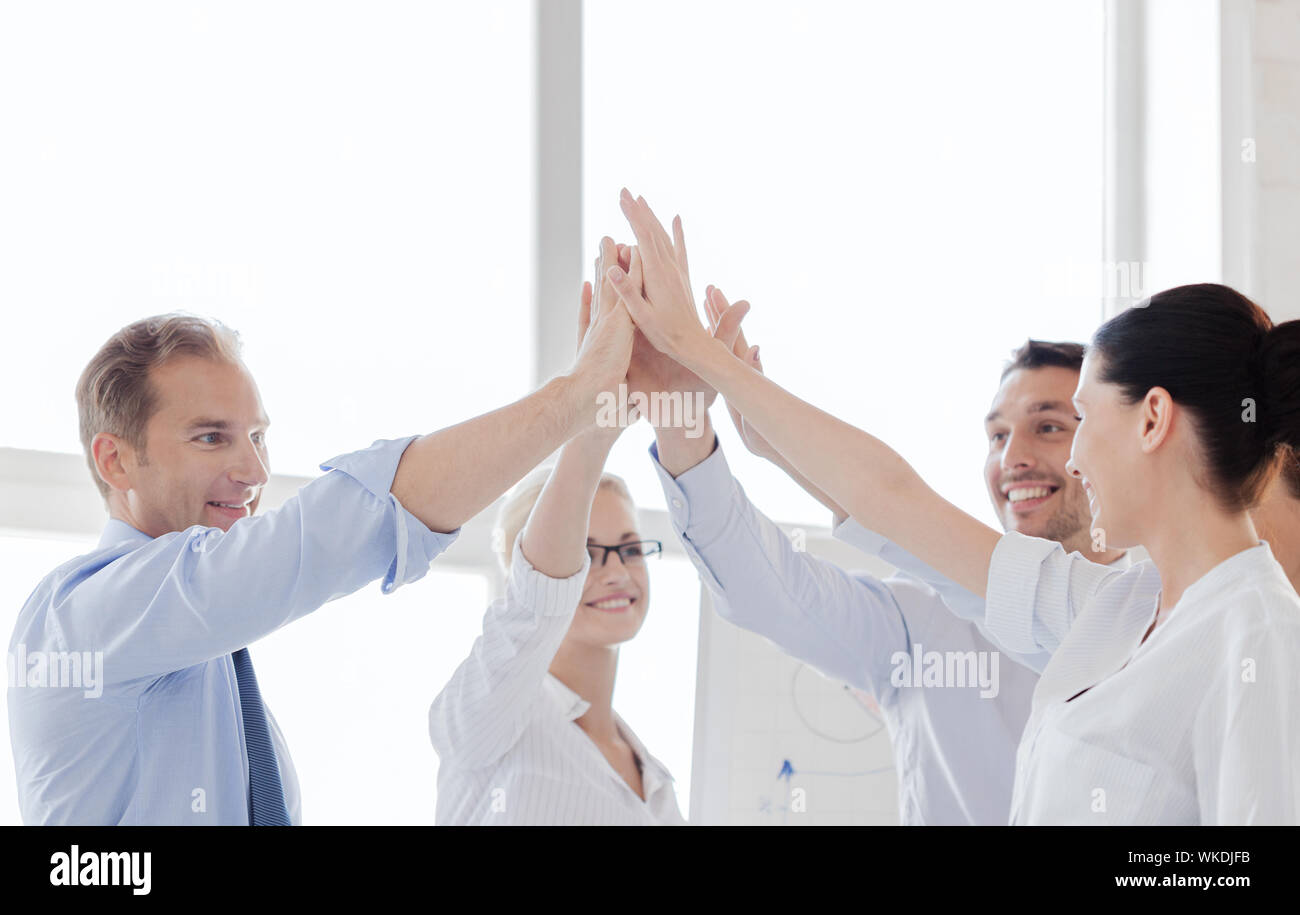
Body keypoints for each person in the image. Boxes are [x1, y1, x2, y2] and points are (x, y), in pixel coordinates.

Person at [608, 189, 1300, 824]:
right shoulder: (1116, 607)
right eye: (999, 434)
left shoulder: (1258, 634)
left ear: (1153, 419)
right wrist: (720, 379)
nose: (1075, 457)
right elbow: (895, 499)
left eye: (1077, 420)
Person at [7, 265, 636, 825]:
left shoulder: (206, 655)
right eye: (210, 438)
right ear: (115, 461)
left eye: (257, 437)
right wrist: (574, 400)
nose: (253, 472)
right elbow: (340, 528)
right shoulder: (81, 616)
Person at [645, 325, 1139, 824]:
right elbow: (764, 590)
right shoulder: (921, 621)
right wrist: (678, 421)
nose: (1013, 459)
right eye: (997, 436)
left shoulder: (1158, 617)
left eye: (1049, 427)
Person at [429, 242, 686, 824]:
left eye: (626, 549)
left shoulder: (657, 781)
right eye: (588, 555)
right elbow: (535, 600)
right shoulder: (490, 719)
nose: (617, 570)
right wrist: (590, 437)